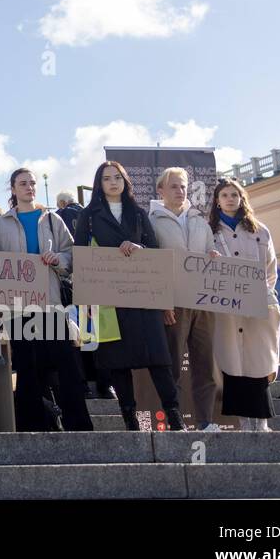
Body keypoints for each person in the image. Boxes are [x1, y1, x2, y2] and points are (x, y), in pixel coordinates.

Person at [73, 161, 184, 431]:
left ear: (125, 181)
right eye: (107, 178)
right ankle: (129, 418)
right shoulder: (89, 216)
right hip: (108, 301)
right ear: (99, 184)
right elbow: (80, 254)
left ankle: (174, 415)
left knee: (158, 358)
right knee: (117, 362)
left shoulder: (138, 212)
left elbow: (154, 250)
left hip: (142, 295)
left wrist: (138, 248)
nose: (113, 182)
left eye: (118, 178)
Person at [0, 168, 93, 432]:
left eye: (32, 183)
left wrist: (59, 260)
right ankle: (32, 425)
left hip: (50, 303)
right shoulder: (1, 225)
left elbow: (71, 256)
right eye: (23, 183)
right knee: (26, 365)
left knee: (65, 363)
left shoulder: (53, 220)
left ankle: (78, 425)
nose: (29, 187)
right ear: (12, 189)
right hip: (16, 308)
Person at [149, 167, 220, 432]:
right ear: (161, 190)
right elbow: (152, 266)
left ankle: (206, 420)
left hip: (203, 302)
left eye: (183, 186)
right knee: (173, 366)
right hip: (174, 303)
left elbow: (210, 249)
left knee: (204, 365)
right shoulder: (152, 221)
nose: (180, 191)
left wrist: (213, 254)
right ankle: (174, 420)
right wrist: (163, 301)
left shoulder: (199, 221)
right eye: (174, 186)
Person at [208, 178, 280, 431]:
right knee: (231, 364)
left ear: (242, 198)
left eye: (234, 194)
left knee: (257, 364)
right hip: (225, 311)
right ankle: (242, 421)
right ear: (217, 200)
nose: (230, 199)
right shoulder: (209, 231)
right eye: (225, 195)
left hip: (256, 310)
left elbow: (271, 269)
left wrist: (259, 294)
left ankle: (261, 421)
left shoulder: (260, 230)